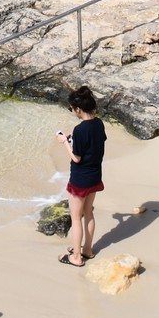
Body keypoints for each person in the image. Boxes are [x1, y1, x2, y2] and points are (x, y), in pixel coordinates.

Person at [55, 85, 105, 267]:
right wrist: (72, 139)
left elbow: (76, 157)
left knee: (75, 218)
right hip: (94, 176)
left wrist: (65, 142)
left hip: (80, 179)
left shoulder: (80, 129)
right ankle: (87, 249)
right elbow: (93, 145)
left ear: (78, 109)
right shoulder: (99, 124)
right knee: (88, 213)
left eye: (72, 109)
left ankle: (76, 257)